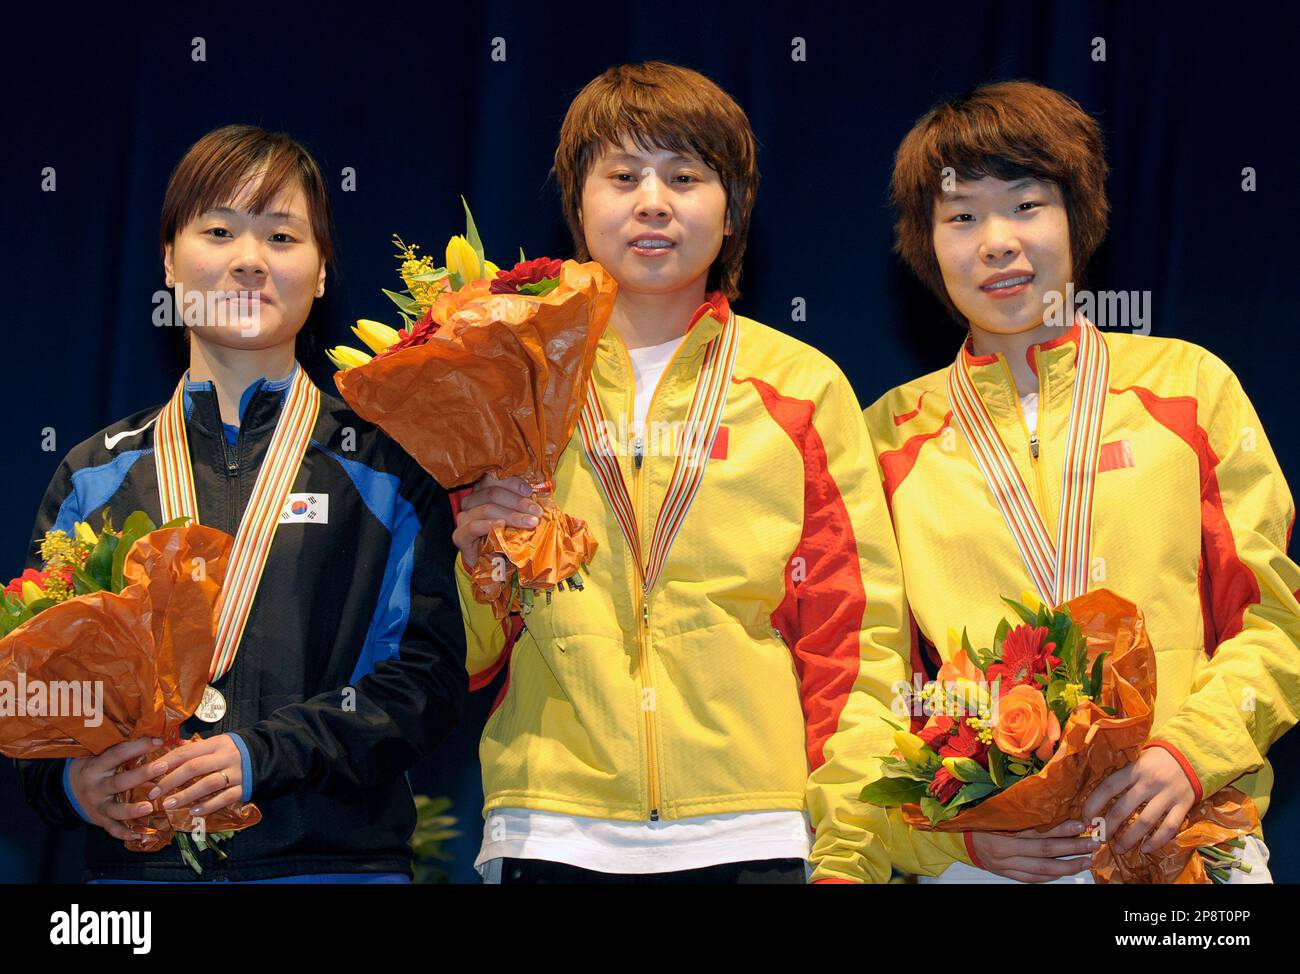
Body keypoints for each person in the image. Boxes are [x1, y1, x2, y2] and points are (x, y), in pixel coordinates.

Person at [452, 61, 917, 883]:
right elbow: (465, 651)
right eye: (623, 176)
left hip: (751, 828)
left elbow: (857, 634)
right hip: (550, 828)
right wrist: (473, 559)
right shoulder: (506, 379)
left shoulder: (800, 389)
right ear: (579, 202)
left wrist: (850, 846)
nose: (653, 201)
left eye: (686, 175)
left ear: (732, 209)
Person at [863, 80, 1300, 882]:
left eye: (1027, 205)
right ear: (927, 244)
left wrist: (1190, 754)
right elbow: (869, 682)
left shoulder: (1189, 389)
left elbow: (1278, 619)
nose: (996, 241)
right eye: (961, 217)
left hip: (1190, 830)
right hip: (992, 859)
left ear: (1080, 217)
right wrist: (951, 838)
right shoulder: (887, 436)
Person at [16, 124, 467, 882]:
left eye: (283, 235)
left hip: (334, 869)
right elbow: (35, 687)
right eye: (219, 230)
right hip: (138, 880)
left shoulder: (389, 465)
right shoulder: (93, 474)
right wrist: (70, 784)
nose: (250, 260)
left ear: (322, 272)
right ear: (169, 259)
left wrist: (265, 756)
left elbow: (421, 682)